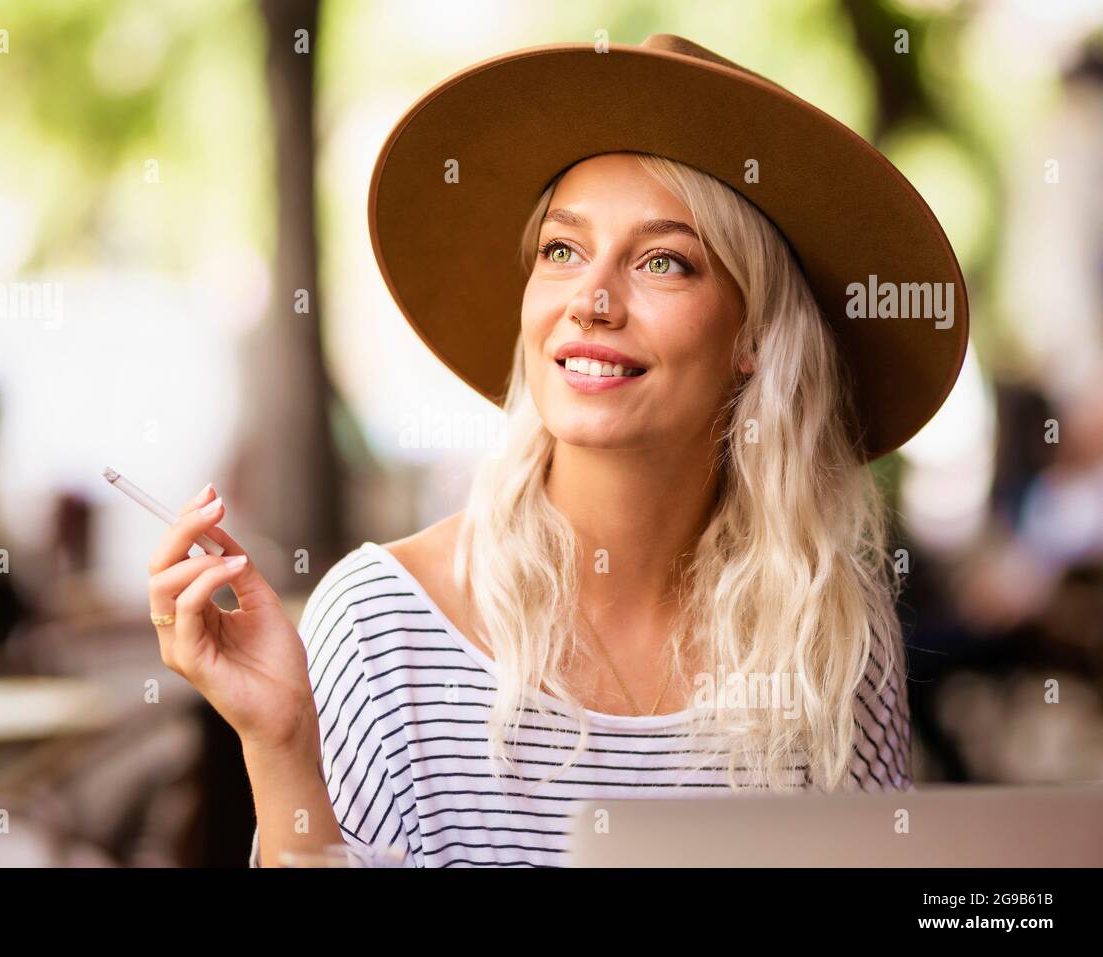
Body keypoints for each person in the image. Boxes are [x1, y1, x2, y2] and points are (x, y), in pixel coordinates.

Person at [146, 35, 968, 867]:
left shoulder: (828, 638)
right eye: (562, 250)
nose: (592, 300)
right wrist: (283, 745)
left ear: (753, 334)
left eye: (663, 261)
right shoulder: (379, 627)